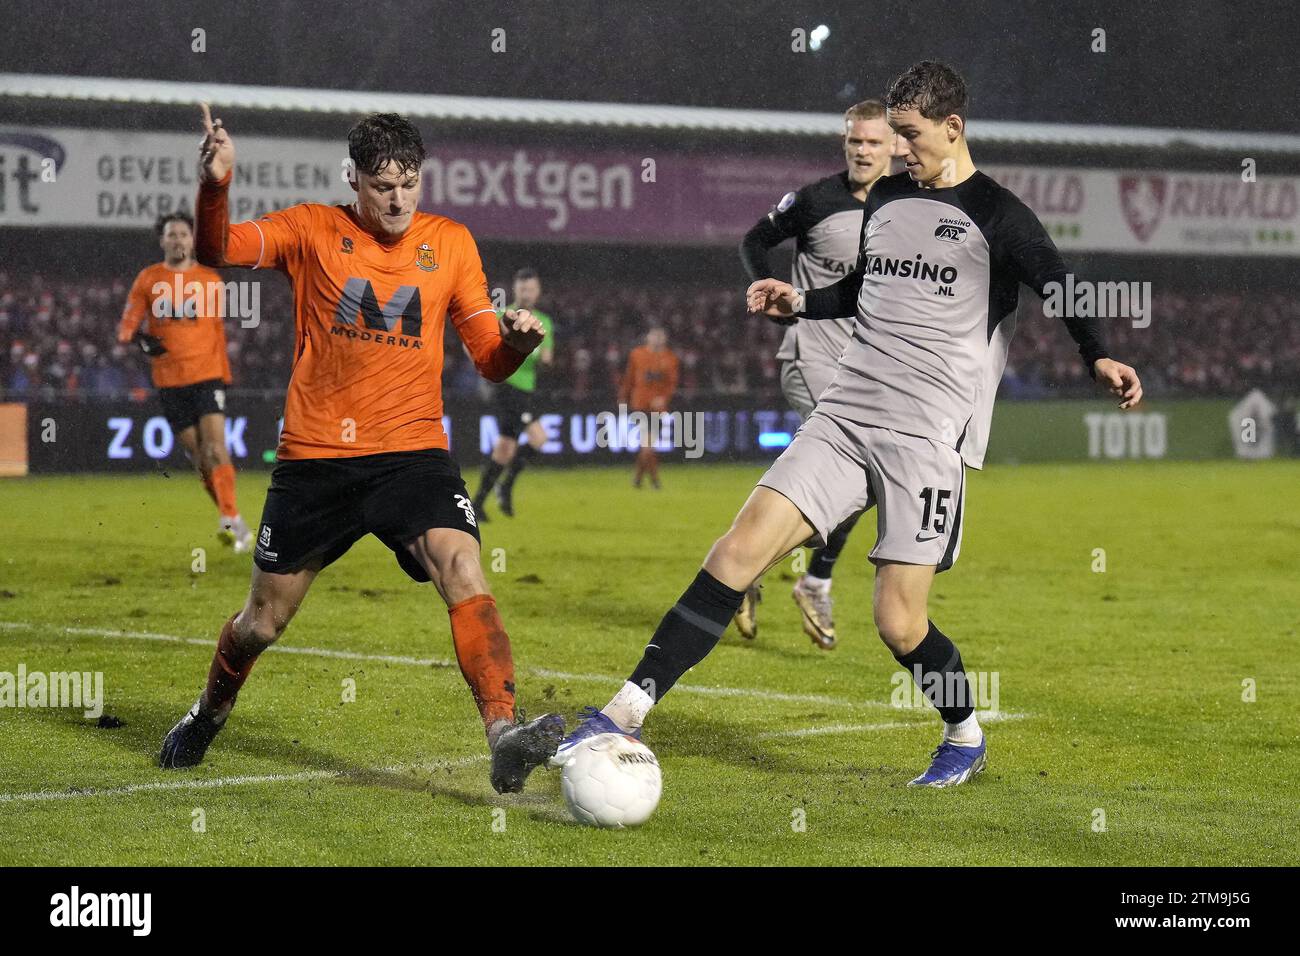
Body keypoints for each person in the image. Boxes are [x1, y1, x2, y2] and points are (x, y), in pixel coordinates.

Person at [553, 61, 1143, 788]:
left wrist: (1100, 355)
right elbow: (869, 288)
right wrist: (799, 303)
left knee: (899, 624)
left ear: (953, 129)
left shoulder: (999, 215)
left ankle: (964, 732)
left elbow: (1061, 284)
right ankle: (622, 711)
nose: (897, 150)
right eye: (892, 135)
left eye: (909, 135)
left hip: (927, 438)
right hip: (845, 412)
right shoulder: (891, 197)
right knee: (736, 554)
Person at [159, 105, 564, 794]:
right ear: (354, 180)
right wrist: (216, 185)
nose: (399, 198)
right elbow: (216, 249)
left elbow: (490, 361)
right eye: (383, 185)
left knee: (463, 566)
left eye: (410, 182)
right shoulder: (312, 228)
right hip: (317, 457)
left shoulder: (452, 244)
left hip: (412, 452)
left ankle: (503, 733)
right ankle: (208, 713)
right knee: (262, 622)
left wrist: (520, 342)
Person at [735, 99, 904, 648]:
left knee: (860, 486)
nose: (862, 150)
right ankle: (802, 578)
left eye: (874, 143)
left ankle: (756, 570)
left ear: (895, 147)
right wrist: (764, 282)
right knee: (843, 475)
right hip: (811, 359)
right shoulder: (813, 201)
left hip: (866, 372)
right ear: (844, 142)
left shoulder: (911, 207)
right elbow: (754, 239)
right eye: (855, 141)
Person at [118, 212, 252, 551]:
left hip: (207, 376)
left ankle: (228, 518)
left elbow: (217, 332)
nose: (178, 240)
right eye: (171, 234)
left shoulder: (210, 280)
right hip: (169, 380)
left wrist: (225, 375)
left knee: (215, 447)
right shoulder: (148, 279)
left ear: (193, 240)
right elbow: (127, 327)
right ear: (162, 240)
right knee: (200, 458)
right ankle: (234, 521)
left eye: (183, 234)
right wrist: (138, 340)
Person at [471, 268, 553, 520]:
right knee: (537, 438)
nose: (527, 293)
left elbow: (548, 358)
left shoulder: (543, 321)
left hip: (526, 390)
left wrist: (532, 350)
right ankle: (502, 489)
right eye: (522, 288)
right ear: (515, 290)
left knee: (506, 447)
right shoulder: (502, 316)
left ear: (538, 291)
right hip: (508, 388)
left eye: (531, 288)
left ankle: (480, 502)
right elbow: (489, 350)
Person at [620, 326, 679, 489]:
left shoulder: (670, 358)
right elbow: (629, 378)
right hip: (640, 405)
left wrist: (664, 398)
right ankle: (655, 481)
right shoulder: (637, 355)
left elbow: (671, 384)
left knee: (647, 446)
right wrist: (623, 398)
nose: (657, 340)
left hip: (658, 409)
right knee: (648, 445)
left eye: (660, 337)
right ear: (648, 338)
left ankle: (638, 479)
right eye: (654, 336)